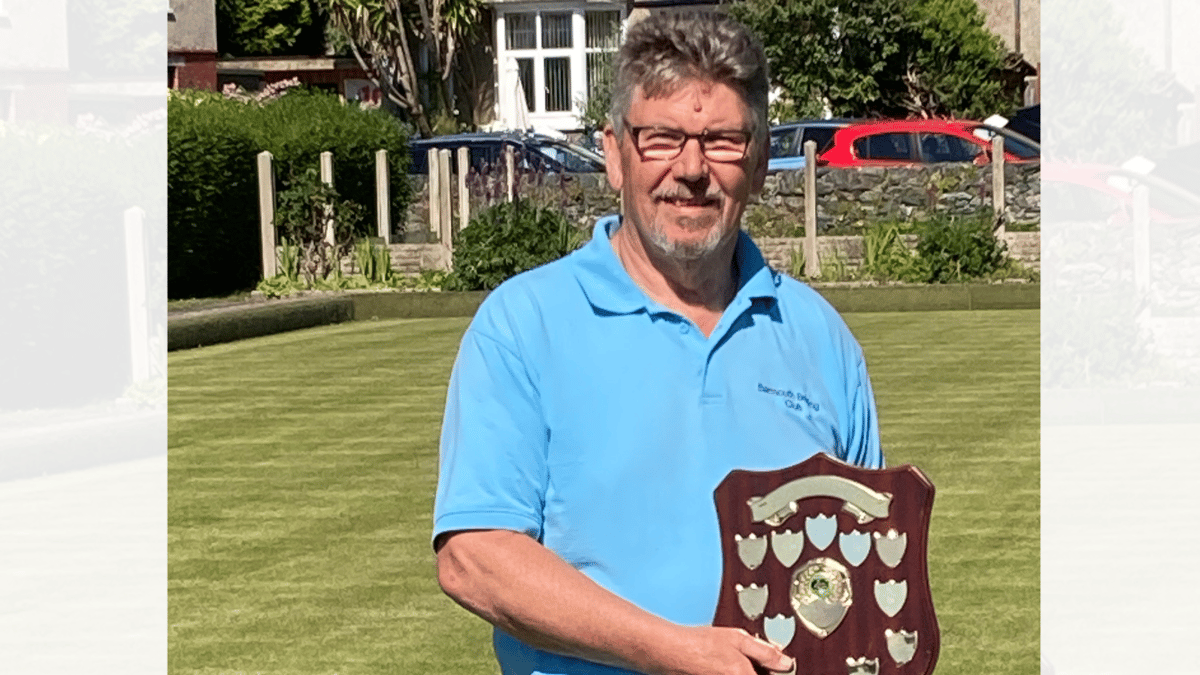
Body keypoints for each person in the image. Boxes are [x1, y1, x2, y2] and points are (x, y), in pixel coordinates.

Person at [433, 11, 884, 675]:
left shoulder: (820, 339)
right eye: (663, 137)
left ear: (758, 162)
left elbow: (865, 570)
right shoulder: (524, 325)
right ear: (614, 153)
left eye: (723, 140)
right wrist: (673, 649)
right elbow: (475, 557)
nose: (693, 168)